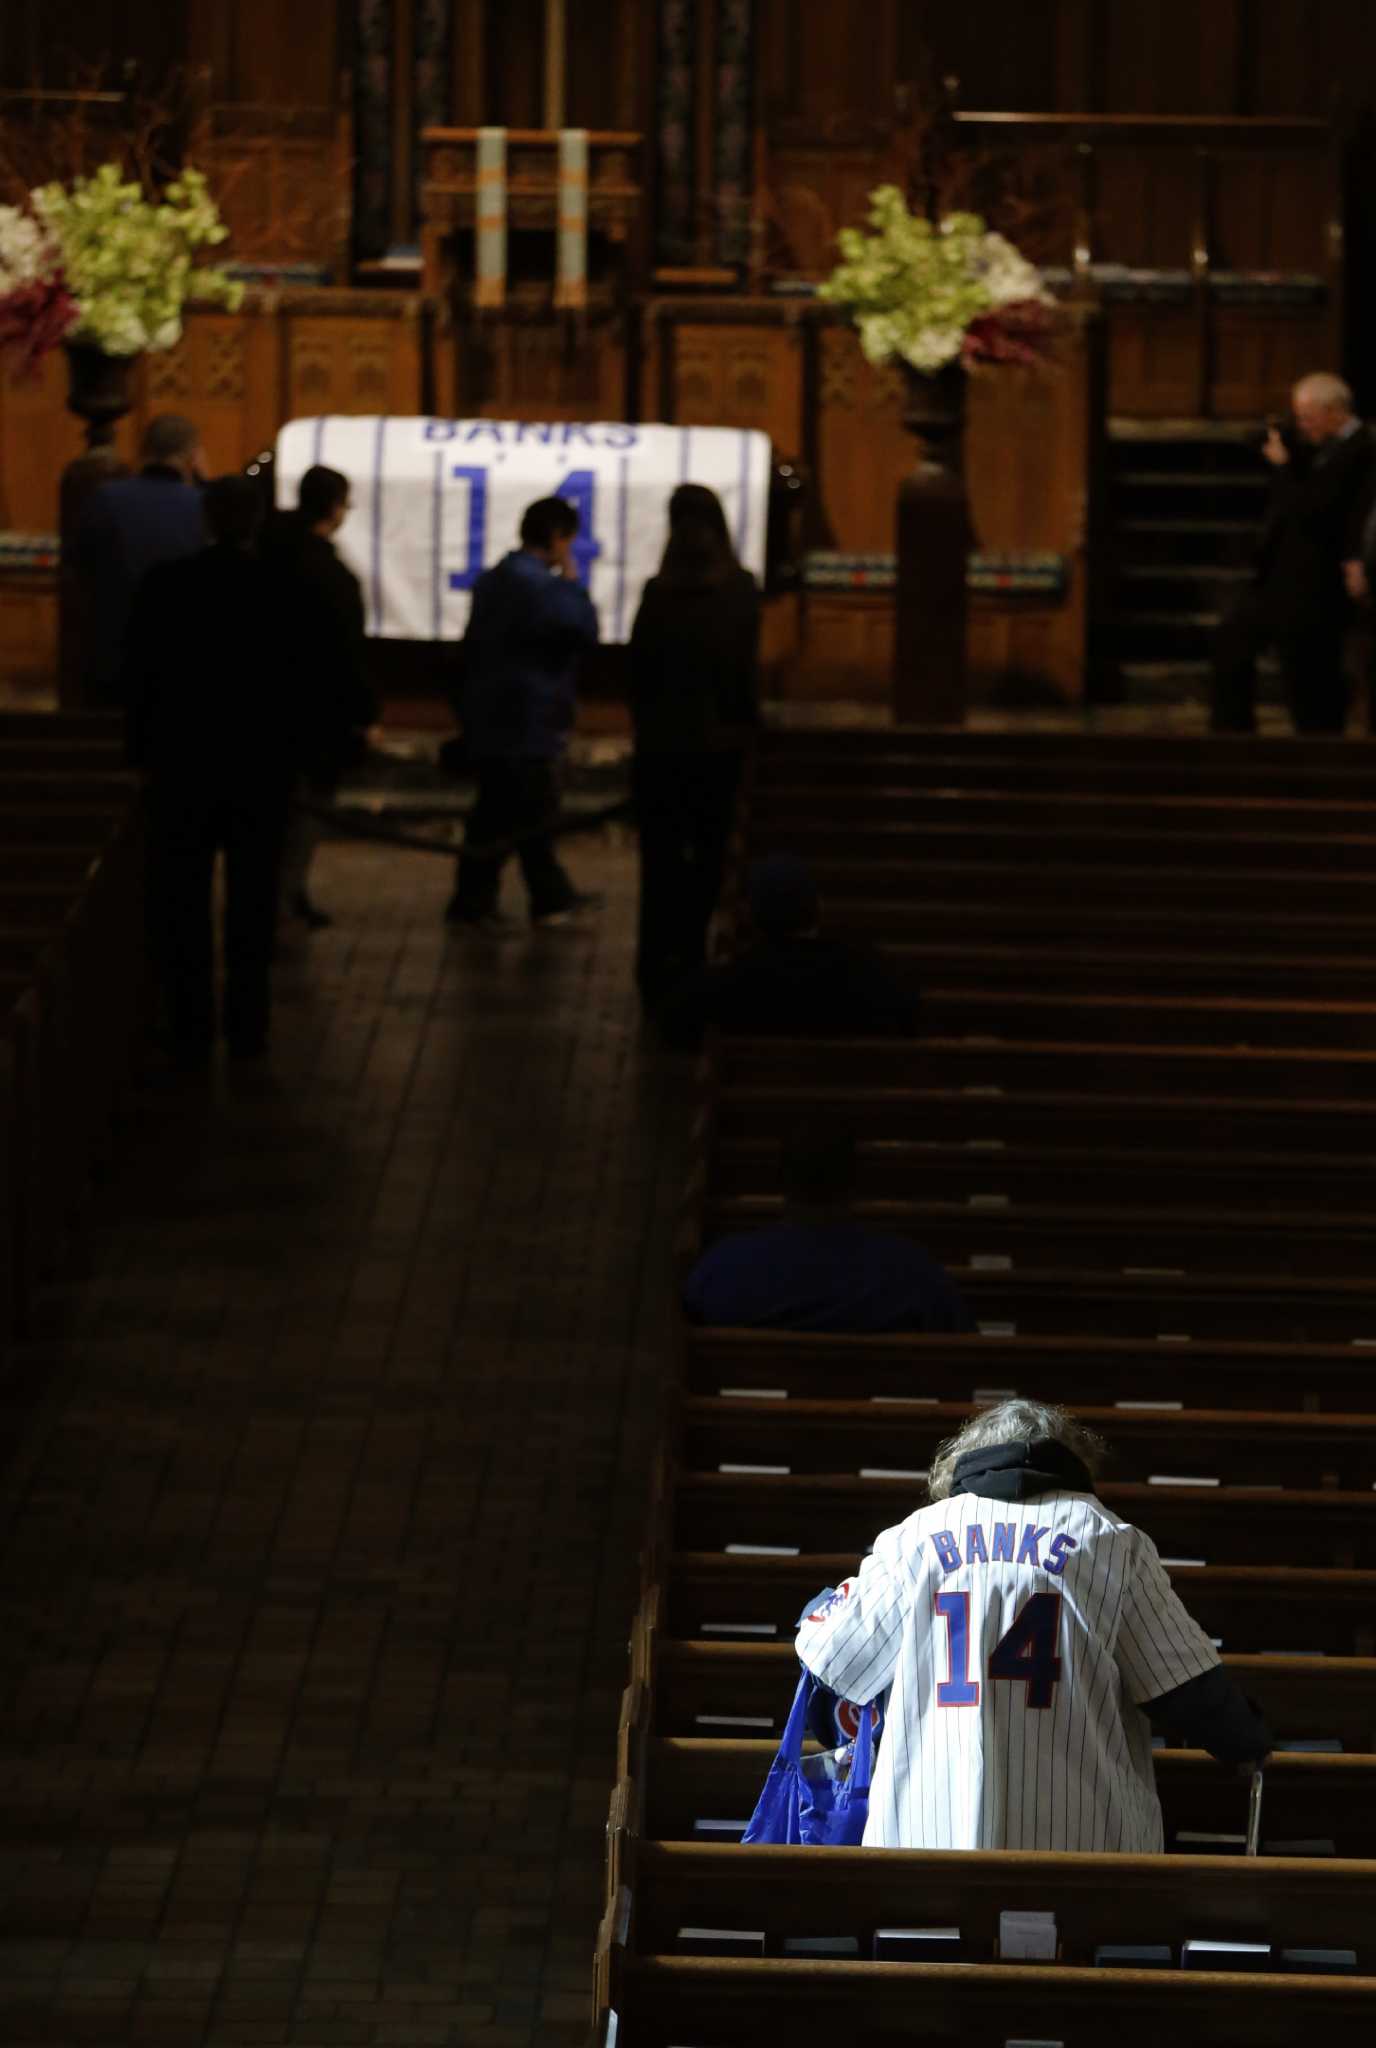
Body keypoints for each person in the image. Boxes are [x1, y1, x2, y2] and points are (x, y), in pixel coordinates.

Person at [794, 1398, 1272, 1853]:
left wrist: (821, 1605)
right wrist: (1250, 1740)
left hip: (926, 1842)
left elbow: (830, 1660)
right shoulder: (1108, 1539)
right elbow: (1191, 1696)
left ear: (964, 1459)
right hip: (1081, 1851)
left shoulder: (914, 1537)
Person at [125, 476, 307, 1065]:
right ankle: (249, 1026)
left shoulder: (166, 585)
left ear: (206, 520)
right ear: (256, 522)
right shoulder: (281, 588)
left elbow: (140, 677)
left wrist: (142, 753)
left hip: (184, 764)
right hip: (259, 768)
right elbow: (299, 681)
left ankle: (191, 1025)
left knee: (183, 902)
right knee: (253, 902)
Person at [630, 483, 760, 1005]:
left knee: (659, 866)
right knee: (708, 863)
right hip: (717, 751)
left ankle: (655, 970)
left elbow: (639, 676)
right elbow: (742, 676)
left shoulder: (658, 592)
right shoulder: (739, 590)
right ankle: (692, 966)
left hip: (661, 750)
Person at [446, 495, 601, 931]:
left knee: (502, 810)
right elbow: (583, 629)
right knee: (523, 811)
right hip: (529, 717)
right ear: (557, 538)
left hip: (491, 713)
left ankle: (529, 896)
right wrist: (572, 579)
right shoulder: (543, 589)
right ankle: (502, 902)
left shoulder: (494, 580)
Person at [682, 1124, 972, 1334]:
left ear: (780, 1180)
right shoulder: (913, 1274)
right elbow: (963, 1347)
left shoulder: (724, 1266)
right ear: (855, 1182)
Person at [1211, 372, 1375, 734]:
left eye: (1307, 417)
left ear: (1334, 411)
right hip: (1283, 578)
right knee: (1233, 643)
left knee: (1309, 676)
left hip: (1316, 581)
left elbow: (1317, 510)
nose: (1303, 426)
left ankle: (1315, 749)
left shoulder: (1360, 450)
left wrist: (1284, 467)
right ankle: (1233, 740)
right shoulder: (1323, 445)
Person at [261, 465, 378, 929]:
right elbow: (348, 652)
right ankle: (283, 899)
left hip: (266, 704)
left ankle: (281, 895)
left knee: (275, 813)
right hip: (315, 713)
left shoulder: (268, 555)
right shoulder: (331, 576)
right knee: (304, 813)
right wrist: (365, 713)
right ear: (334, 508)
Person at [658, 852, 918, 1048]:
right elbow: (909, 1015)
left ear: (752, 917)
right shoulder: (865, 969)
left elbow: (672, 1021)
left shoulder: (733, 979)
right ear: (818, 908)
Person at [73, 413, 208, 706]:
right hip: (180, 658)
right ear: (192, 456)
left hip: (114, 651)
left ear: (144, 451)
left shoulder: (104, 498)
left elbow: (80, 566)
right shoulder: (202, 506)